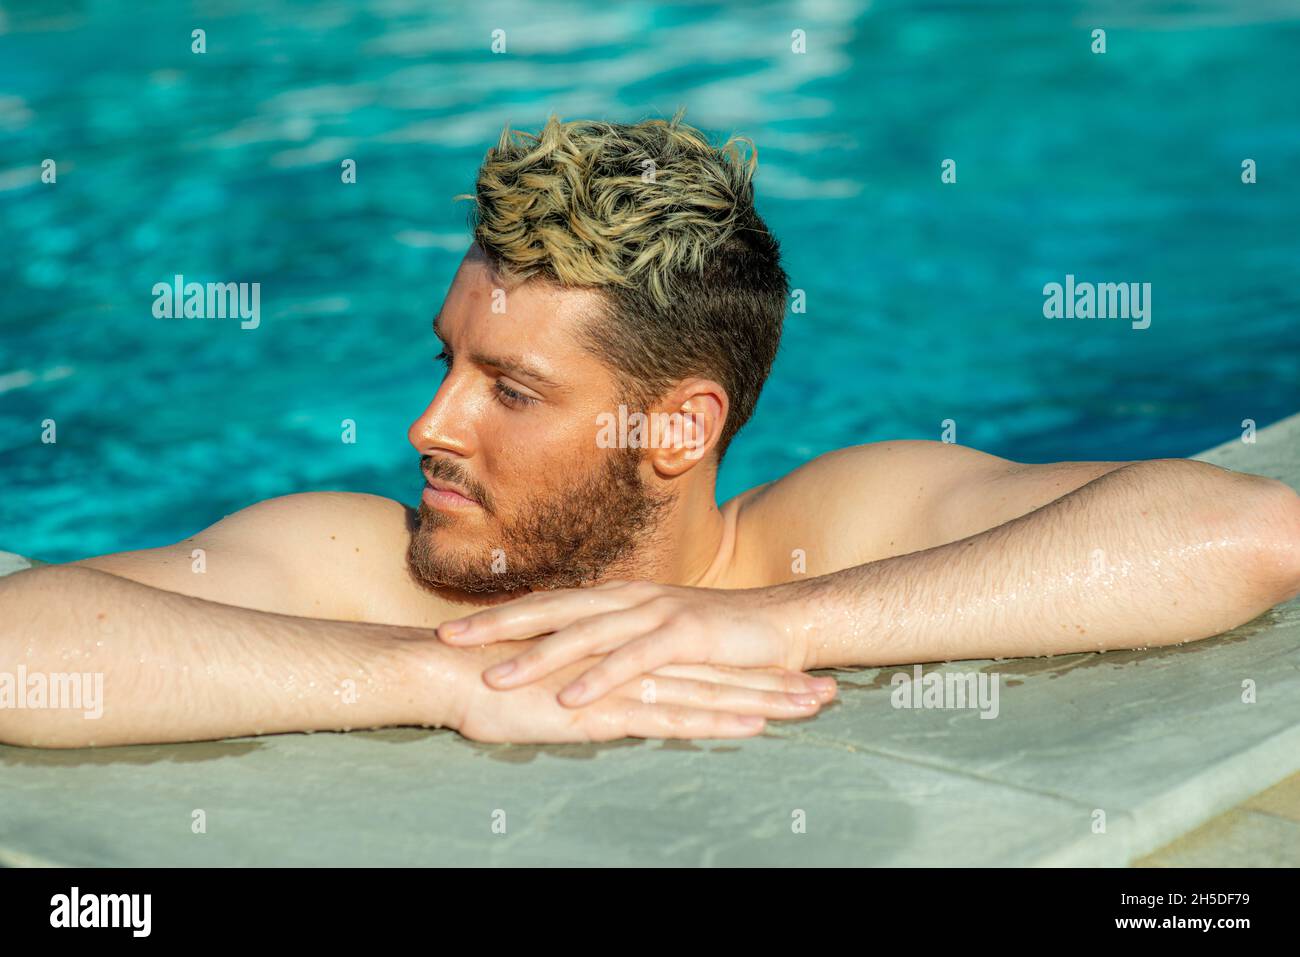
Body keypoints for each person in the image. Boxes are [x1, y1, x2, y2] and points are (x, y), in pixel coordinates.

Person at [3, 113, 1297, 749]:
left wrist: (780, 623)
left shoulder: (833, 532)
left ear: (675, 428)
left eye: (508, 389)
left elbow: (1243, 530)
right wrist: (439, 681)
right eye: (446, 361)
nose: (427, 424)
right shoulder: (368, 568)